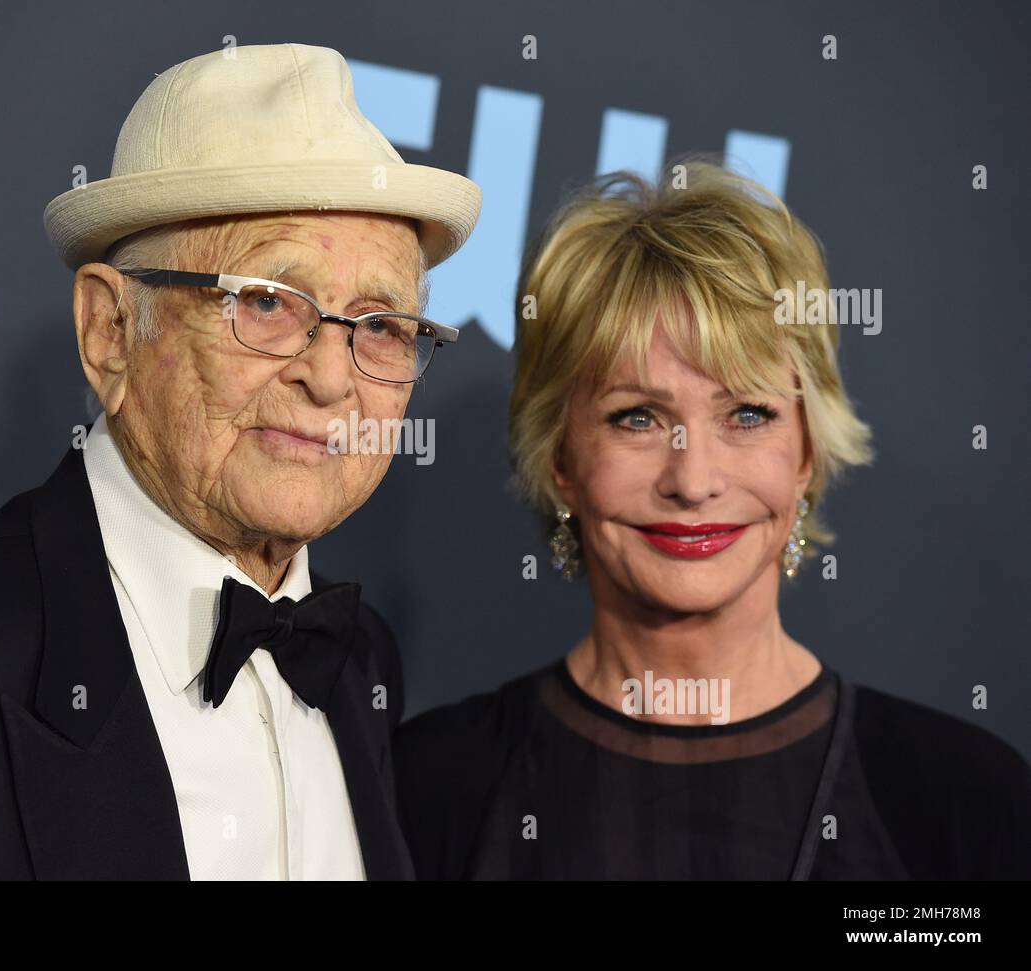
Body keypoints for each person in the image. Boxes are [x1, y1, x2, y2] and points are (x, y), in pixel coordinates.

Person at [0, 43, 481, 880]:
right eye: (267, 302)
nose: (332, 376)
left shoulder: (361, 662)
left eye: (381, 325)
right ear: (109, 332)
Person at [393, 161, 1031, 880]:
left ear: (807, 452)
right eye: (636, 417)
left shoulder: (963, 802)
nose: (693, 480)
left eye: (747, 414)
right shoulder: (430, 788)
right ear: (560, 457)